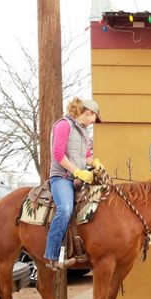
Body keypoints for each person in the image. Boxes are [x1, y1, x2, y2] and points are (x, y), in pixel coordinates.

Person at [44, 97, 104, 271]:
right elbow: (57, 154)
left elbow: (86, 156)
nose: (93, 123)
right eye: (94, 118)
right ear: (88, 112)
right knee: (65, 210)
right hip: (62, 178)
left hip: (79, 178)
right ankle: (52, 257)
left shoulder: (84, 132)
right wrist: (77, 171)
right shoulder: (63, 125)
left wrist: (95, 163)